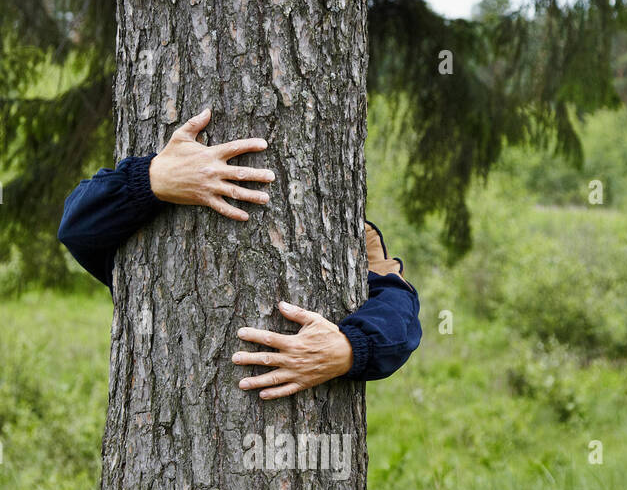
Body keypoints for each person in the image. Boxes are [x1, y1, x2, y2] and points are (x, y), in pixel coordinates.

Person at [58, 108, 421, 397]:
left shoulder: (348, 235)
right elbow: (77, 227)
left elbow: (398, 306)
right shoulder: (140, 211)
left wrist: (349, 349)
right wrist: (152, 179)